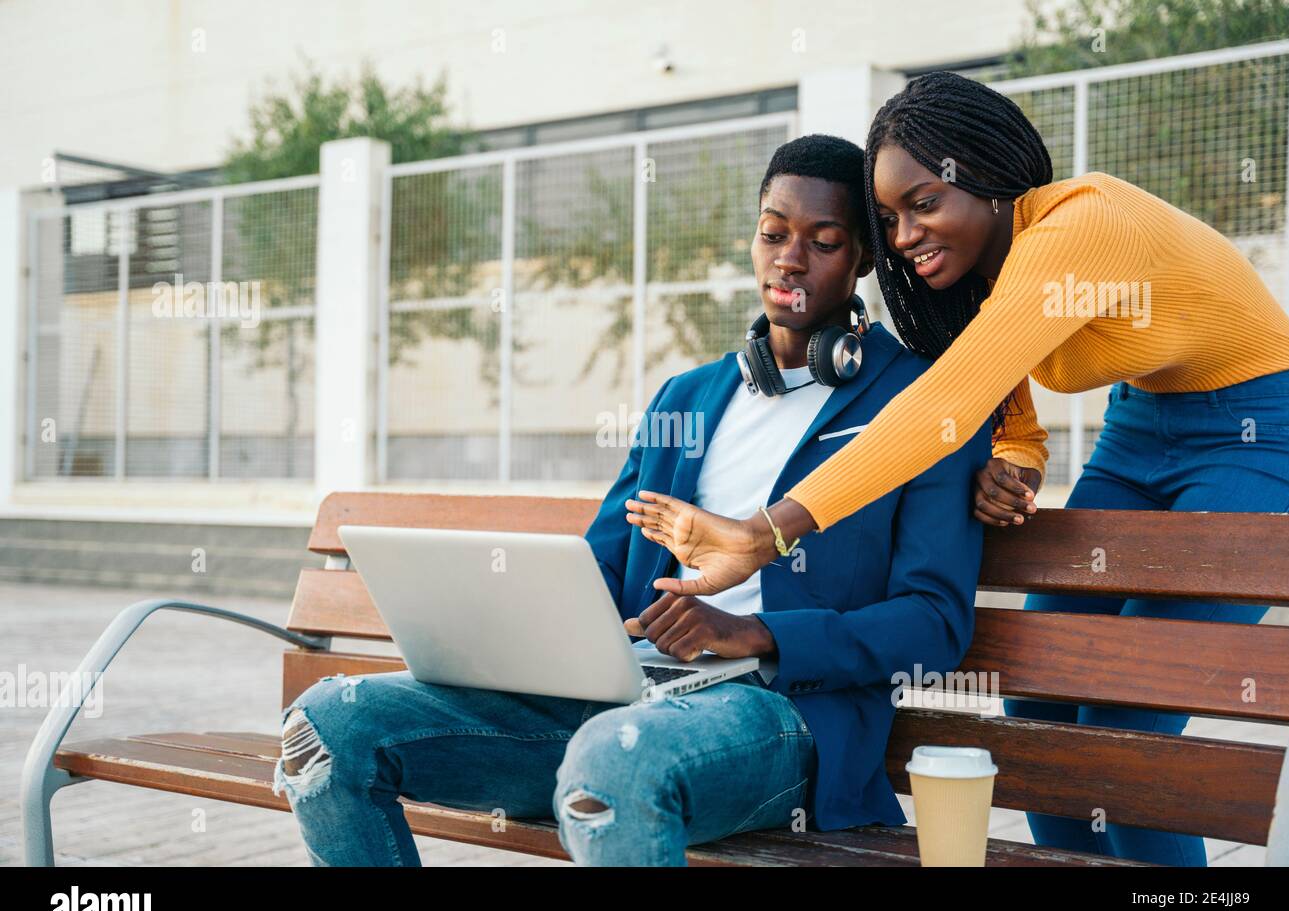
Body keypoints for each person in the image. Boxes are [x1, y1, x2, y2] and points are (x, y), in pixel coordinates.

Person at [625, 71, 1289, 867]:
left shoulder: (1081, 228)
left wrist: (768, 532)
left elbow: (944, 399)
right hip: (1138, 424)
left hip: (1263, 430)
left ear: (985, 177)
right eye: (889, 219)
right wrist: (1012, 463)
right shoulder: (990, 275)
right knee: (1040, 695)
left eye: (923, 204)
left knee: (1131, 707)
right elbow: (1006, 413)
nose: (905, 236)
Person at [273, 133, 991, 865]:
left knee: (615, 760)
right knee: (325, 728)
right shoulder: (686, 399)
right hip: (616, 703)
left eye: (824, 241)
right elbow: (602, 569)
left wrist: (760, 635)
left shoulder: (919, 405)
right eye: (773, 233)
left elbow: (934, 622)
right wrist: (501, 624)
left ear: (864, 259)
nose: (790, 259)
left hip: (784, 717)